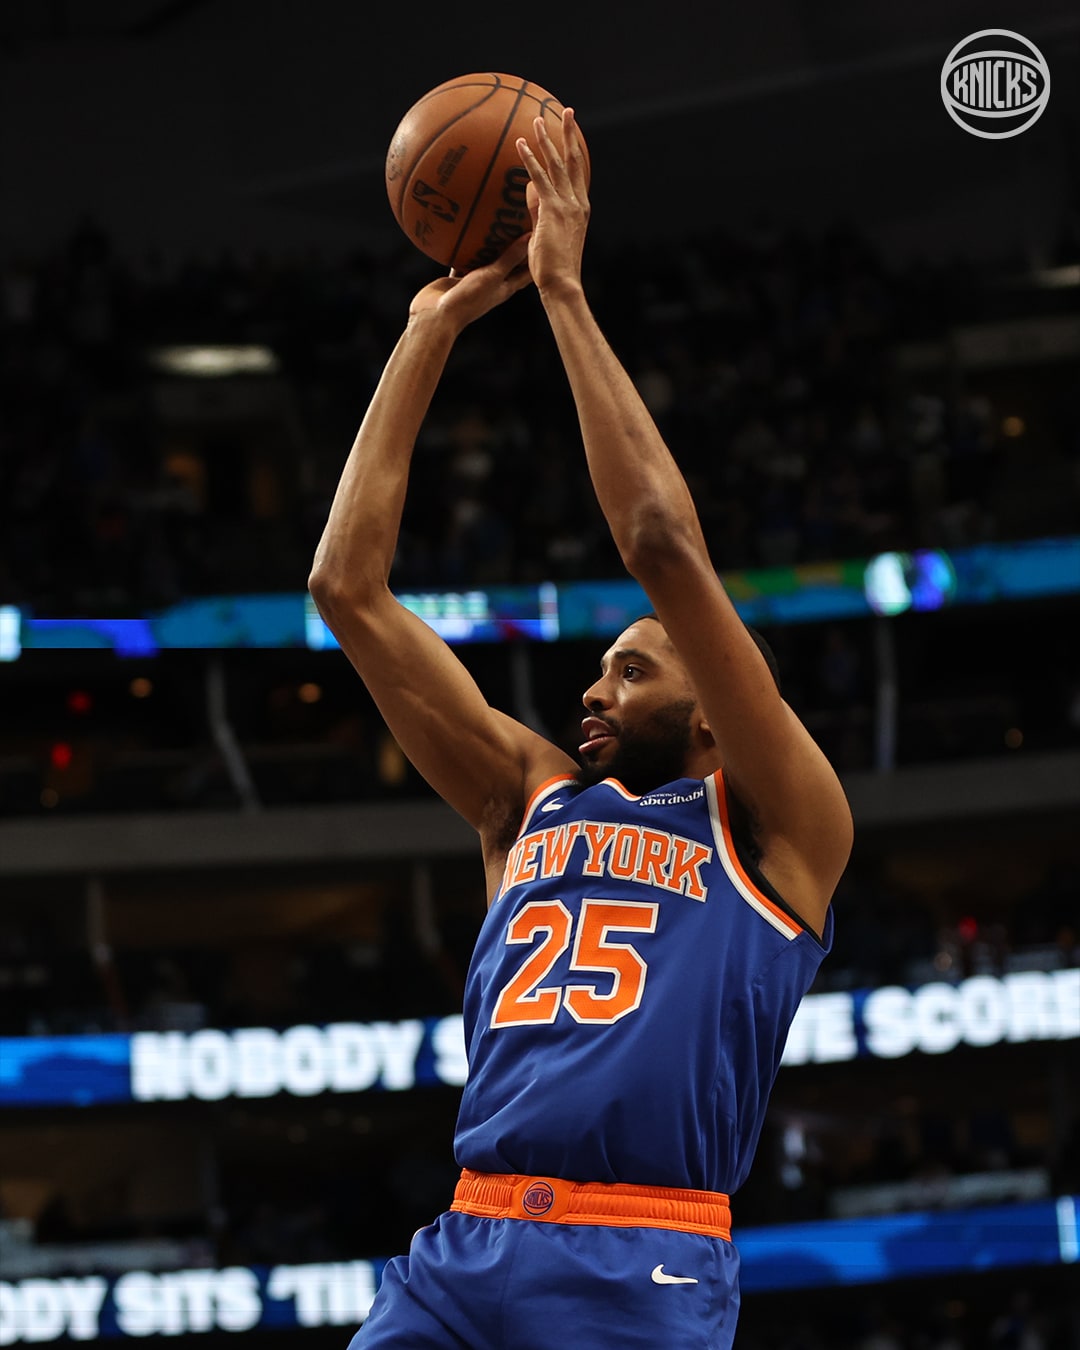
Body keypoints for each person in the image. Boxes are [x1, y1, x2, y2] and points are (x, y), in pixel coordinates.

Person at [309, 109, 853, 1350]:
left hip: (642, 1258)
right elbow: (347, 589)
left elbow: (660, 540)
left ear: (717, 706)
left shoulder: (779, 826)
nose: (594, 692)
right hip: (462, 1245)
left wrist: (561, 293)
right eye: (600, 672)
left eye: (632, 670)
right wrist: (426, 333)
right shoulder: (528, 796)